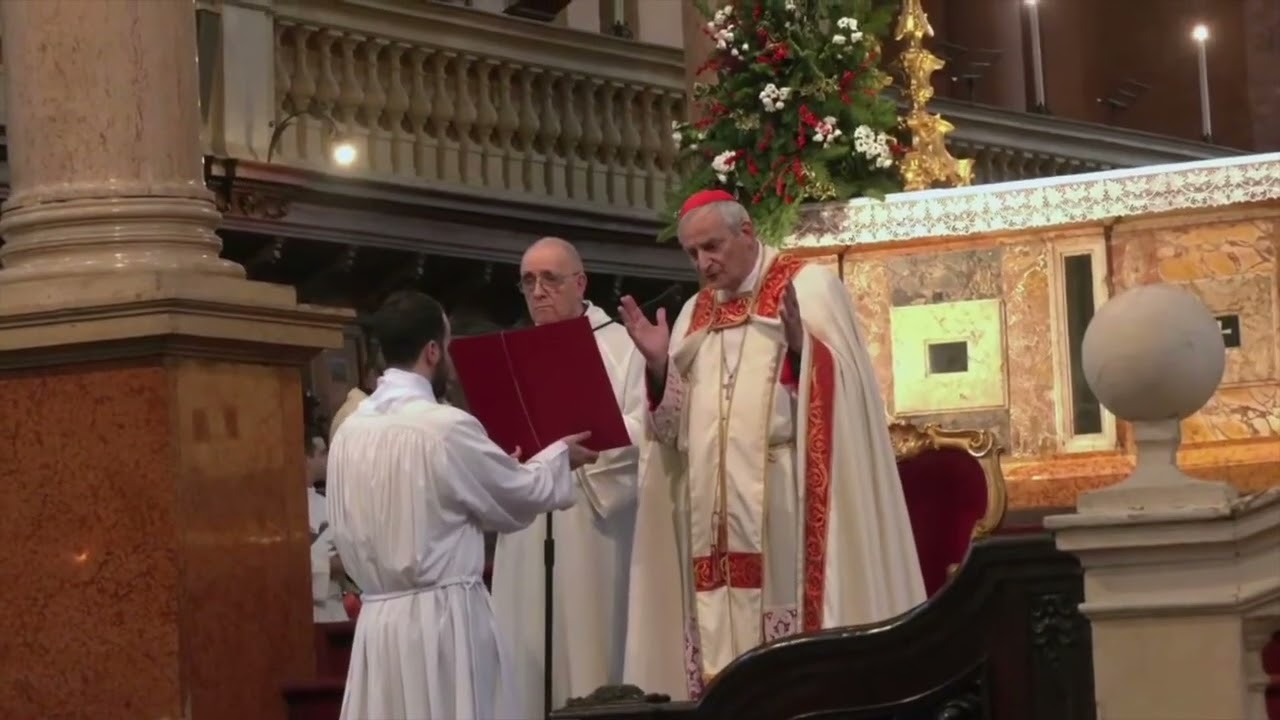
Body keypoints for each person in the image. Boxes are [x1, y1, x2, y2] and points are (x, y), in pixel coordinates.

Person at [619, 190, 925, 700]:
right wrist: (657, 369)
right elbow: (672, 431)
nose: (704, 263)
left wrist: (804, 350)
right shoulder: (695, 311)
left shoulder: (809, 287)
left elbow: (848, 399)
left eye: (712, 247)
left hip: (785, 504)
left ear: (747, 232)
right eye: (692, 254)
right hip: (709, 522)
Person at [326, 290, 600, 720]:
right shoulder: (444, 426)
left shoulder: (349, 432)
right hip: (442, 620)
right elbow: (521, 493)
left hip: (380, 622)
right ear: (433, 350)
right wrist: (558, 455)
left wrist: (490, 472)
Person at [491, 237, 647, 715]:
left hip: (590, 522)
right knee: (526, 643)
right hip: (527, 519)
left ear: (580, 283)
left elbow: (646, 429)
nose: (538, 291)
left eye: (550, 279)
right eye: (528, 281)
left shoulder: (622, 347)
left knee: (587, 636)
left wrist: (586, 455)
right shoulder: (510, 353)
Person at [305, 434, 348, 622]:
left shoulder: (328, 503)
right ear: (306, 458)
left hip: (333, 606)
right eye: (322, 454)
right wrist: (328, 563)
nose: (327, 459)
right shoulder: (284, 509)